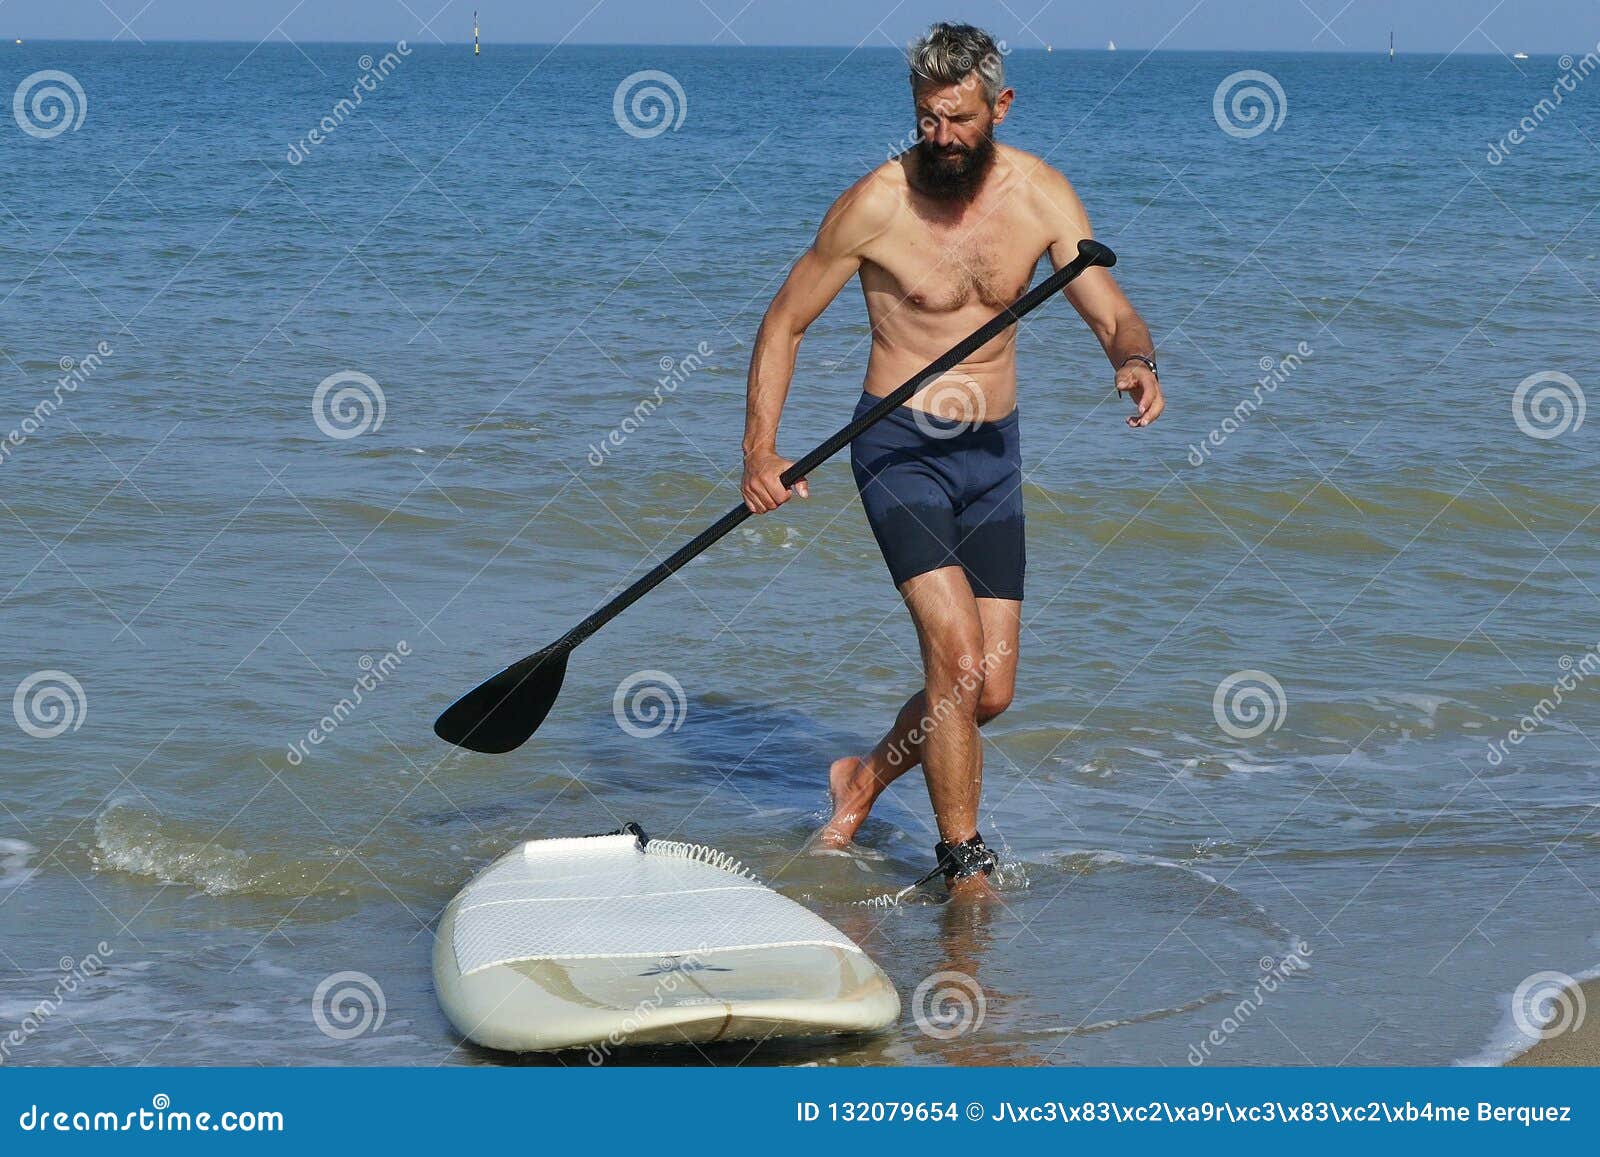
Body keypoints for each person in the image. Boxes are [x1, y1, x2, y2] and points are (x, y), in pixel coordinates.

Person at [740, 22, 1163, 896]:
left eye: (959, 119)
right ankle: (961, 860)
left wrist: (1134, 358)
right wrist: (760, 449)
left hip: (992, 454)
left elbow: (1109, 305)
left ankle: (860, 780)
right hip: (900, 449)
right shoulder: (877, 207)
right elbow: (784, 321)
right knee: (957, 661)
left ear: (999, 106)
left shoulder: (1041, 195)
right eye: (927, 119)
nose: (940, 138)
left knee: (989, 690)